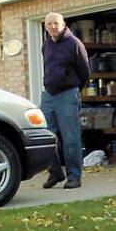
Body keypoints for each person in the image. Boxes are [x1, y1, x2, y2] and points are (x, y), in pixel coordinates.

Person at [39, 12, 90, 189]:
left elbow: (85, 72)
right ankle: (55, 173)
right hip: (48, 95)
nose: (53, 26)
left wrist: (73, 90)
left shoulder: (74, 44)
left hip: (67, 94)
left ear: (63, 24)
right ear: (45, 26)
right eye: (49, 24)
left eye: (56, 23)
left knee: (71, 138)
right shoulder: (46, 45)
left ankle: (74, 176)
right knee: (45, 135)